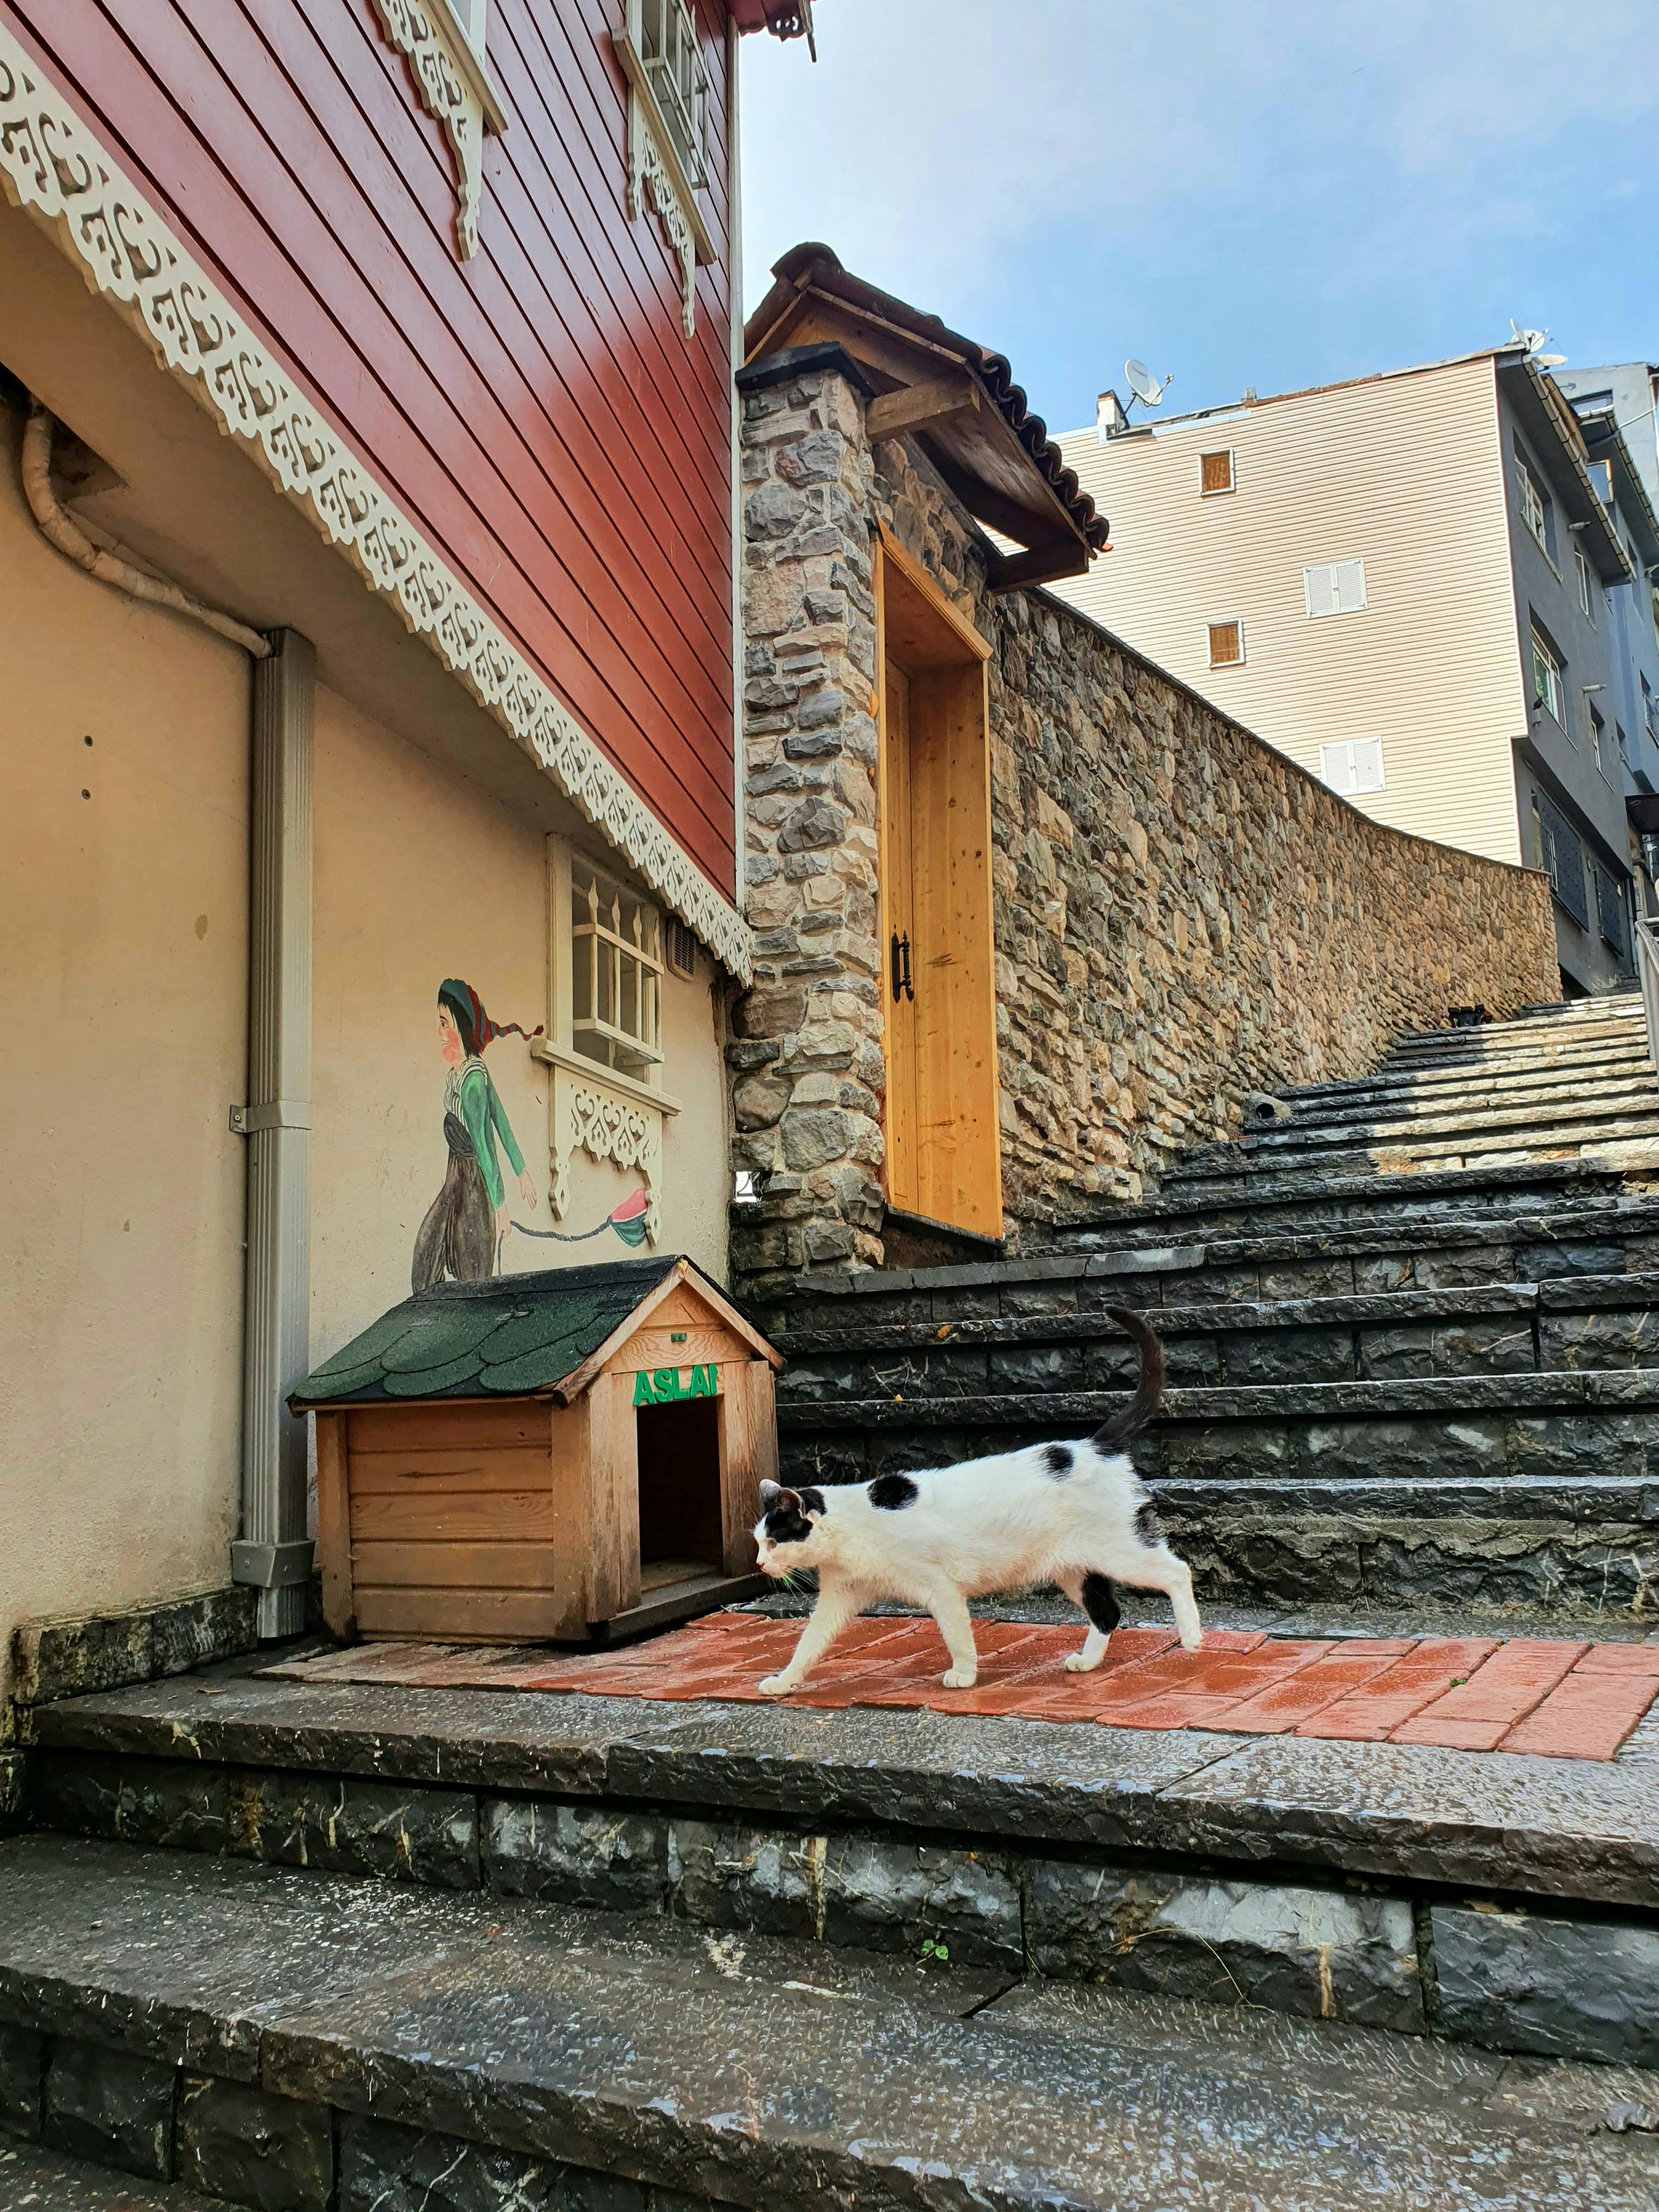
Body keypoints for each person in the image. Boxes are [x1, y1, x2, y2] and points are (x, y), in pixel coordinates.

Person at [411, 979, 541, 1291]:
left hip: (472, 1182)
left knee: (471, 1270)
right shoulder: (464, 1071)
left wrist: (500, 1205)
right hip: (455, 1178)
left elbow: (484, 1144)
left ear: (460, 1025)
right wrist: (521, 1170)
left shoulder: (472, 1082)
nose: (440, 1031)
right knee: (428, 1249)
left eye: (445, 1023)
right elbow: (501, 1118)